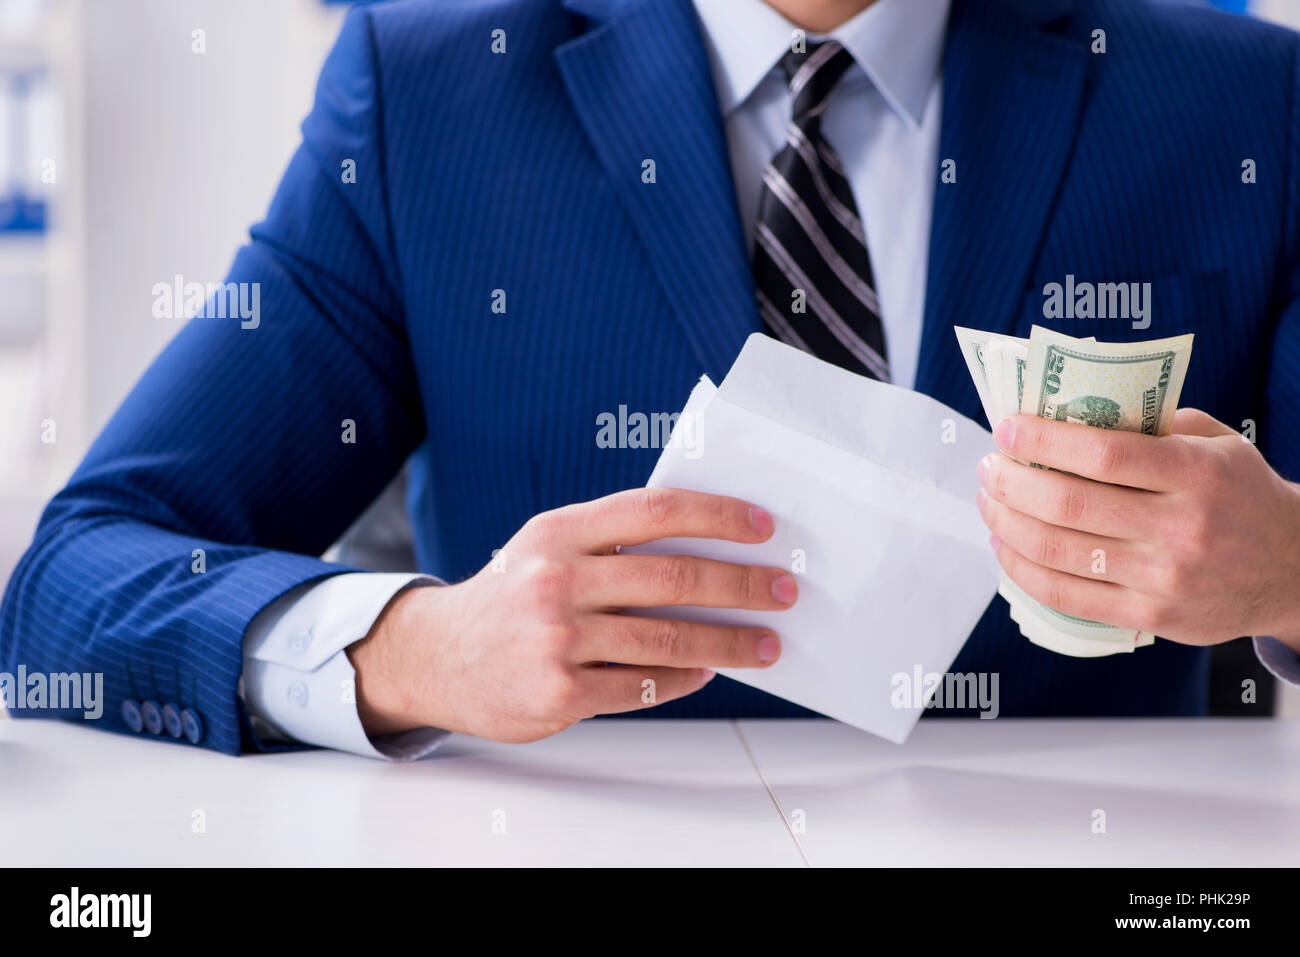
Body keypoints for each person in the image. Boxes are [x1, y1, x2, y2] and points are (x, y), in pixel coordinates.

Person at [4, 0, 1300, 759]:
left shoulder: (1238, 100)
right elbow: (72, 579)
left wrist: (1291, 562)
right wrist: (414, 648)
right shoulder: (427, 87)